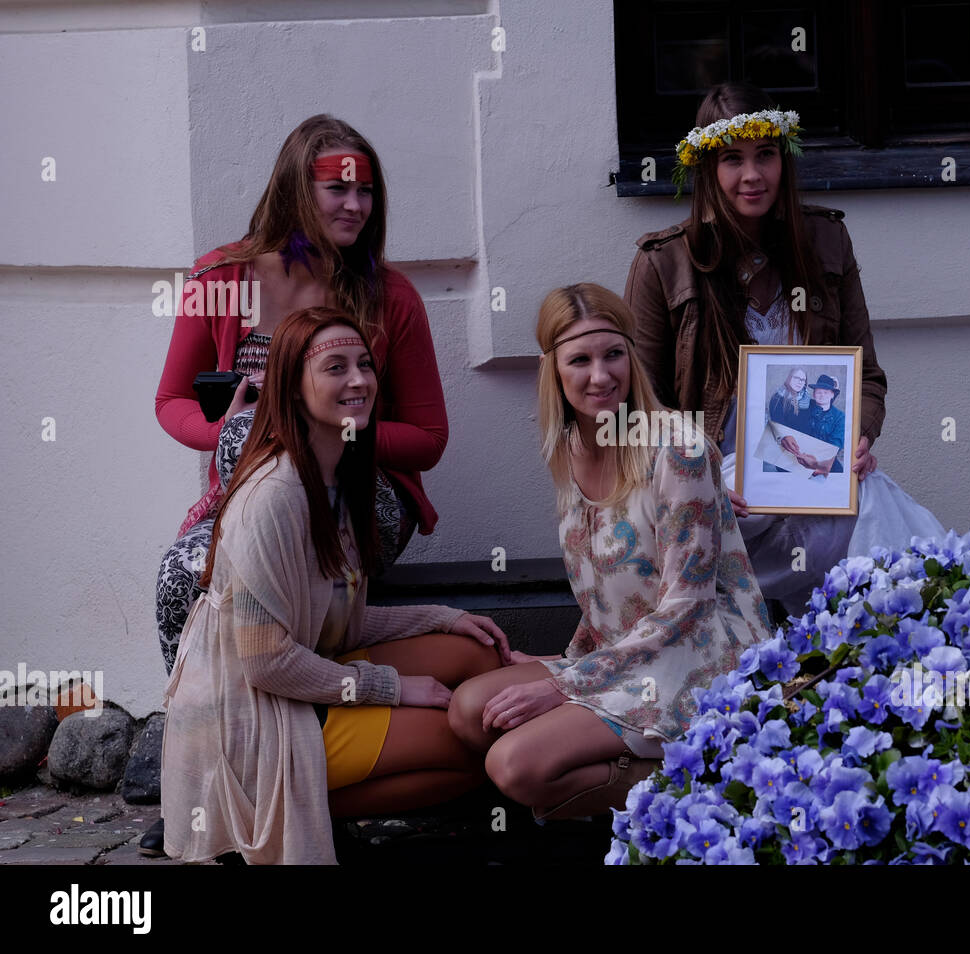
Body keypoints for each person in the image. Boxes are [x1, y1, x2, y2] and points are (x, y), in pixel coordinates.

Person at [160, 308, 509, 865]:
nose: (358, 380)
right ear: (293, 389)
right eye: (334, 367)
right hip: (256, 715)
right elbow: (266, 661)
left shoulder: (340, 475)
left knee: (474, 651)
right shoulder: (273, 495)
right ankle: (292, 813)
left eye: (365, 365)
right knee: (472, 749)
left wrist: (441, 616)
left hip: (299, 670)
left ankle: (319, 799)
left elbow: (328, 619)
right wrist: (392, 688)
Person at [447, 283, 772, 821]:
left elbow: (687, 605)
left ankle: (705, 777)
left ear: (631, 355)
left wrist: (567, 685)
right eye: (580, 359)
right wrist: (573, 660)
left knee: (514, 766)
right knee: (468, 712)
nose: (601, 376)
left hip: (697, 660)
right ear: (554, 370)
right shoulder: (571, 446)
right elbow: (606, 588)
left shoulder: (677, 448)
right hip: (625, 654)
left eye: (613, 354)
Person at [624, 81, 942, 616]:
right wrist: (693, 483)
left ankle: (869, 662)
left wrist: (856, 435)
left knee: (884, 521)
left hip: (811, 470)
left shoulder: (825, 242)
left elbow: (865, 375)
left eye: (766, 156)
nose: (752, 175)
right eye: (733, 159)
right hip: (717, 482)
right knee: (734, 533)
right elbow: (640, 409)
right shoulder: (664, 263)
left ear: (783, 161)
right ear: (707, 169)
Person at [154, 114, 449, 677]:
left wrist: (320, 431)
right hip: (252, 490)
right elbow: (171, 401)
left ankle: (307, 718)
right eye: (337, 188)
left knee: (268, 568)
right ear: (296, 189)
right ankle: (203, 723)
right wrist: (237, 432)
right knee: (180, 576)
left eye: (366, 191)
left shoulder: (391, 297)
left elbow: (428, 440)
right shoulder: (219, 279)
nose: (356, 206)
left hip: (364, 497)